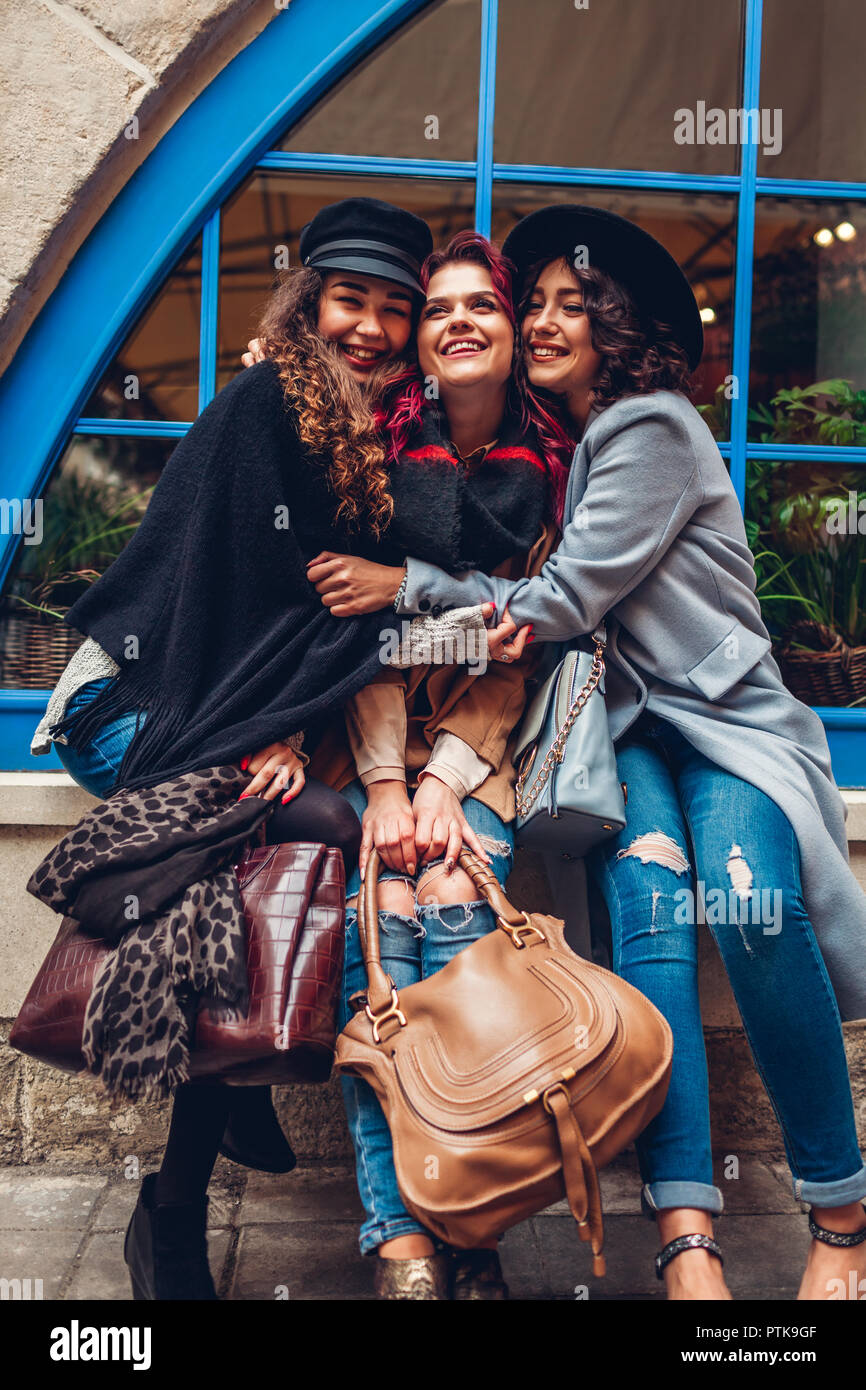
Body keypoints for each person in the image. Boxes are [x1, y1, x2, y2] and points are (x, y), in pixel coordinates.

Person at [309, 205, 866, 1301]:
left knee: (751, 909)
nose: (549, 318)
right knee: (651, 923)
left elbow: (552, 606)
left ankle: (839, 1216)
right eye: (543, 303)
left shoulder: (646, 426)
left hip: (725, 730)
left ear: (619, 323)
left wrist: (401, 592)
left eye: (575, 303)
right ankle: (686, 1241)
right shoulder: (561, 448)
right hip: (621, 733)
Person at [31, 197, 441, 1299]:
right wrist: (262, 734)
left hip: (214, 709)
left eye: (393, 310)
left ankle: (176, 1197)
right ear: (310, 303)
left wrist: (284, 723)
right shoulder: (264, 401)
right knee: (320, 822)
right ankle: (187, 1181)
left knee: (270, 852)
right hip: (132, 706)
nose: (371, 327)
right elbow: (219, 595)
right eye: (350, 301)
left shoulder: (353, 436)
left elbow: (329, 609)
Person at [304, 231, 569, 1299]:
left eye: (482, 308)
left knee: (457, 908)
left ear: (510, 339)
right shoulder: (370, 454)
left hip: (474, 753)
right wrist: (381, 782)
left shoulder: (550, 479)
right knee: (382, 923)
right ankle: (399, 1233)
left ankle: (475, 1215)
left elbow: (520, 652)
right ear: (420, 338)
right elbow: (351, 638)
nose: (456, 320)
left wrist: (435, 780)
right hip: (363, 745)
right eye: (439, 308)